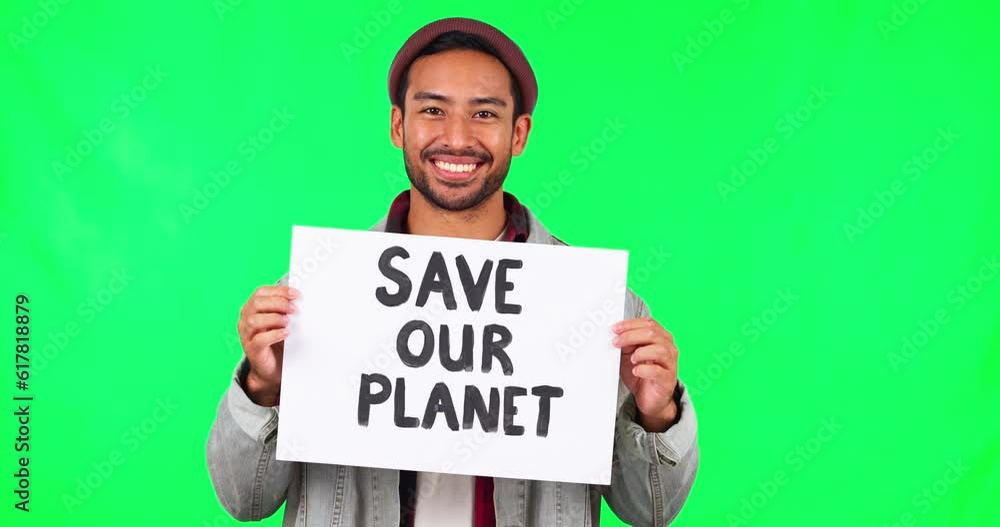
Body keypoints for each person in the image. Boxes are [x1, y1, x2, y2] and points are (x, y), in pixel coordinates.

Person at [207, 17, 698, 527]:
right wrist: (262, 386)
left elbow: (652, 512)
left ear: (519, 133)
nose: (457, 138)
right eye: (433, 110)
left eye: (484, 113)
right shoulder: (314, 297)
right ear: (399, 126)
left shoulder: (598, 306)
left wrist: (657, 415)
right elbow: (245, 501)